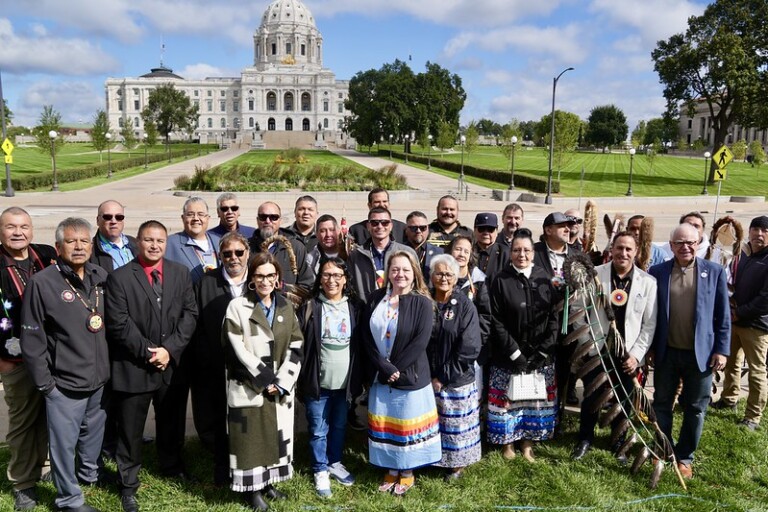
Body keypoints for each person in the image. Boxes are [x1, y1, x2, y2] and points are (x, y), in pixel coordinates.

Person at [106, 220, 198, 512]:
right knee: (130, 431)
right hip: (135, 366)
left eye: (159, 240)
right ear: (138, 242)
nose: (154, 245)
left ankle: (171, 466)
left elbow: (190, 314)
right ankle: (128, 483)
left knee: (171, 421)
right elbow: (119, 323)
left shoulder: (180, 273)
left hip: (171, 364)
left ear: (166, 242)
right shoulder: (120, 277)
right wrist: (150, 353)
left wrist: (169, 350)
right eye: (148, 240)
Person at [21, 217, 109, 512]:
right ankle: (68, 500)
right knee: (63, 446)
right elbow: (32, 340)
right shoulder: (42, 284)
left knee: (91, 437)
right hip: (64, 384)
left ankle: (87, 476)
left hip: (98, 380)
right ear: (58, 246)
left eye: (84, 240)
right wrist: (47, 385)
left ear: (92, 244)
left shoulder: (100, 277)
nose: (78, 246)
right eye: (70, 241)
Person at [221, 252, 303, 511]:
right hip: (249, 388)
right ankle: (252, 490)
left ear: (278, 278)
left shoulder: (285, 307)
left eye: (270, 275)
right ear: (252, 279)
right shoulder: (237, 307)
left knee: (276, 437)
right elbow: (235, 349)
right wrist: (264, 379)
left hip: (279, 389)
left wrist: (282, 381)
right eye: (259, 276)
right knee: (251, 440)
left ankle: (269, 483)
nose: (265, 281)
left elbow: (297, 344)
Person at [649, 223, 730, 479]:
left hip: (702, 355)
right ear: (671, 245)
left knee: (695, 408)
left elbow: (723, 316)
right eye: (679, 243)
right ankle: (663, 450)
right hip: (667, 352)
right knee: (662, 404)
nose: (685, 247)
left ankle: (684, 457)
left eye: (690, 242)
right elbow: (650, 315)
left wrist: (721, 350)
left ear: (698, 243)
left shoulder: (714, 272)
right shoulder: (657, 271)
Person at [570, 232, 658, 462]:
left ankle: (619, 441)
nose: (623, 253)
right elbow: (579, 313)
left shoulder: (647, 283)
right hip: (597, 349)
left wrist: (636, 356)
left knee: (624, 398)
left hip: (627, 353)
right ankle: (585, 438)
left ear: (636, 251)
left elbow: (649, 325)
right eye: (619, 248)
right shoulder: (595, 275)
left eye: (629, 249)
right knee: (591, 396)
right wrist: (588, 344)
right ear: (612, 249)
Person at [362, 251, 441, 495]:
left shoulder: (422, 302)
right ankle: (390, 468)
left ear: (414, 272)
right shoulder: (376, 298)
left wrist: (395, 369)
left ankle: (406, 471)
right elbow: (365, 335)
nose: (400, 275)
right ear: (387, 273)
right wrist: (383, 367)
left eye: (405, 270)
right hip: (381, 374)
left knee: (406, 425)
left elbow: (420, 341)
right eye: (395, 269)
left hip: (410, 376)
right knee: (386, 423)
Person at [0, 206, 56, 511]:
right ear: (1, 231)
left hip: (49, 355)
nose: (18, 232)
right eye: (10, 227)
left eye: (23, 226)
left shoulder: (46, 256)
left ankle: (45, 465)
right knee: (22, 421)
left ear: (32, 230)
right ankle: (23, 482)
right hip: (14, 359)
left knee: (49, 415)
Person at [487, 228, 558, 462]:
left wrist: (543, 349)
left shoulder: (544, 277)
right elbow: (495, 320)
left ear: (533, 253)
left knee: (531, 401)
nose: (522, 255)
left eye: (526, 250)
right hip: (508, 353)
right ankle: (507, 443)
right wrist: (515, 352)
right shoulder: (501, 280)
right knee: (508, 401)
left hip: (539, 354)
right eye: (516, 250)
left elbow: (554, 316)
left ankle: (527, 443)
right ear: (510, 253)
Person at [297, 258, 361, 497]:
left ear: (345, 279)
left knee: (339, 425)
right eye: (326, 275)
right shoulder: (311, 307)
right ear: (320, 279)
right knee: (317, 429)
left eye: (336, 275)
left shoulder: (354, 308)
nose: (331, 280)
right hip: (318, 381)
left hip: (344, 383)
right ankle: (320, 468)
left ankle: (334, 461)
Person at [192, 232, 251, 486]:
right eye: (227, 253)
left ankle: (250, 466)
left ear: (247, 253)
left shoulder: (257, 280)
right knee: (219, 416)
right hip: (217, 365)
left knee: (248, 419)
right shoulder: (207, 282)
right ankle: (222, 467)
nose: (233, 258)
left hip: (251, 366)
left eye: (239, 252)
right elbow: (197, 323)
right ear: (220, 256)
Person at [427, 254, 481, 481]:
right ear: (431, 276)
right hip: (427, 377)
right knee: (432, 424)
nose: (443, 278)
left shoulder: (464, 305)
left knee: (454, 425)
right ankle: (431, 459)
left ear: (456, 276)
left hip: (456, 378)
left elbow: (470, 346)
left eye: (448, 274)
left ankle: (455, 466)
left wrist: (443, 376)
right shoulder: (424, 301)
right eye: (439, 273)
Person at [712, 215, 768, 431]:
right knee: (732, 364)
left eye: (764, 231)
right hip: (735, 320)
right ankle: (729, 399)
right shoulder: (743, 255)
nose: (759, 234)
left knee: (756, 371)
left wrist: (739, 313)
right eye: (755, 230)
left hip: (756, 326)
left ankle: (753, 416)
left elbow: (765, 299)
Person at [533, 212, 578, 406]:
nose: (568, 229)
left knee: (564, 370)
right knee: (539, 368)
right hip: (539, 323)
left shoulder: (577, 255)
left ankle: (558, 412)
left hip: (569, 324)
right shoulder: (534, 252)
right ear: (548, 230)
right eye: (562, 226)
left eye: (569, 225)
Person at [347, 207, 416, 301]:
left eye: (385, 223)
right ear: (368, 226)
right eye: (375, 223)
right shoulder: (356, 255)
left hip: (400, 308)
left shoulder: (407, 253)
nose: (380, 226)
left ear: (391, 226)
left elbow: (417, 285)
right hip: (366, 311)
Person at [248, 201, 314, 293]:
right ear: (257, 220)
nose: (268, 221)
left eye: (273, 217)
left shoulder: (296, 247)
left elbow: (306, 285)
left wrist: (284, 288)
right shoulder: (246, 248)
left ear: (280, 220)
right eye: (263, 217)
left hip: (286, 305)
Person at [165, 197, 219, 283]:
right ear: (183, 218)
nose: (196, 218)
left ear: (208, 218)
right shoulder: (170, 244)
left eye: (201, 214)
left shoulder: (219, 242)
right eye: (190, 214)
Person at [89, 200, 137, 272]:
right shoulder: (90, 251)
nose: (114, 221)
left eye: (119, 217)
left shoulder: (136, 243)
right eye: (107, 217)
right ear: (98, 220)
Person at [404, 211, 442, 281]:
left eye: (423, 228)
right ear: (406, 229)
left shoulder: (439, 253)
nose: (418, 231)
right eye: (413, 228)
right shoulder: (398, 250)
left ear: (428, 229)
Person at [473, 212, 505, 277]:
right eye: (481, 229)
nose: (486, 233)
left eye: (490, 229)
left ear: (496, 231)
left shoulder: (504, 253)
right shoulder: (468, 252)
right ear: (475, 230)